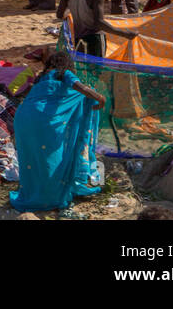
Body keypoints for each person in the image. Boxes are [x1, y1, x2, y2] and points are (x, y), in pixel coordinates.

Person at [9, 50, 106, 213]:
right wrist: (101, 99)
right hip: (44, 122)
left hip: (23, 118)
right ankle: (50, 198)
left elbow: (45, 98)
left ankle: (34, 194)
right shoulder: (65, 74)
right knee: (52, 158)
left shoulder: (42, 77)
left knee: (33, 160)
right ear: (67, 63)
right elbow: (82, 90)